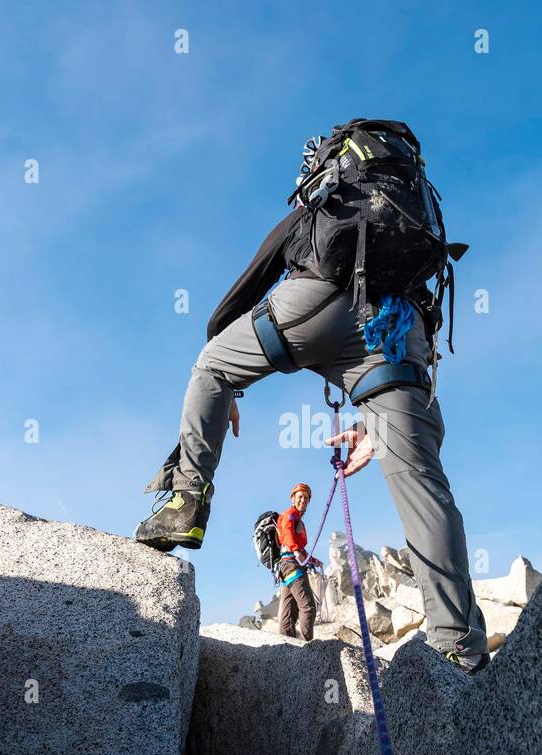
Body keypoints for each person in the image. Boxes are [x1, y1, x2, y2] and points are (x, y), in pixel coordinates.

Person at [137, 120, 489, 674]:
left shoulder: (324, 206)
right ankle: (458, 644)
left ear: (326, 168)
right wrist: (379, 422)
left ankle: (185, 502)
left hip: (316, 304)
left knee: (210, 368)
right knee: (422, 485)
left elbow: (252, 280)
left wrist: (228, 372)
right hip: (396, 332)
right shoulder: (406, 225)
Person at [275, 482, 321, 641]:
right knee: (308, 607)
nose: (303, 500)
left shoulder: (297, 519)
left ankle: (286, 644)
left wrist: (313, 560)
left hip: (285, 566)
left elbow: (299, 548)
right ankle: (306, 646)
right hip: (292, 564)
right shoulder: (290, 515)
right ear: (293, 498)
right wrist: (295, 550)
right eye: (300, 496)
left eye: (306, 498)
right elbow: (287, 533)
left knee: (289, 610)